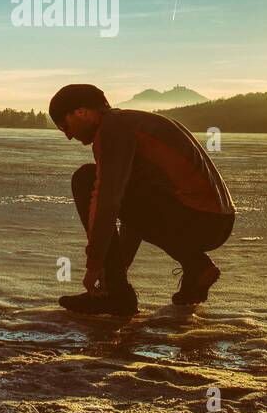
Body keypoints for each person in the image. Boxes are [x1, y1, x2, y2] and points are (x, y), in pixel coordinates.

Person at [50, 83, 235, 316]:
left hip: (198, 219)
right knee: (119, 188)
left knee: (85, 179)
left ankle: (123, 291)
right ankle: (193, 268)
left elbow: (108, 201)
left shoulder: (113, 128)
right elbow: (136, 210)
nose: (68, 135)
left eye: (64, 125)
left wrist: (96, 265)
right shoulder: (131, 122)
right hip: (216, 220)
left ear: (81, 112)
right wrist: (118, 270)